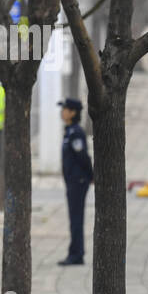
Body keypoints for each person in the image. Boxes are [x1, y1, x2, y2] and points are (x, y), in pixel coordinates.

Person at [58, 98, 92, 266]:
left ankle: (77, 254)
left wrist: (90, 176)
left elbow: (83, 157)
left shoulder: (76, 133)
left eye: (65, 109)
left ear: (73, 113)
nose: (62, 112)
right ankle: (74, 251)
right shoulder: (70, 131)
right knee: (74, 218)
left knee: (76, 218)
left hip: (78, 181)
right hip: (72, 181)